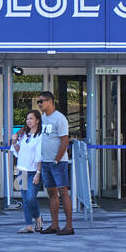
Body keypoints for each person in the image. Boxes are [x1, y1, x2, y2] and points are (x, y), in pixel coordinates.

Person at [36, 91, 74, 235]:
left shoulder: (60, 119)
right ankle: (54, 225)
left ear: (50, 101)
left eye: (42, 101)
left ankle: (69, 226)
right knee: (51, 192)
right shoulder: (44, 118)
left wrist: (57, 158)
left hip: (57, 162)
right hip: (46, 161)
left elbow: (64, 140)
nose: (39, 104)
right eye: (38, 101)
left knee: (63, 191)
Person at [10, 110, 44, 234]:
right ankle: (28, 225)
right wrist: (14, 142)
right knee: (25, 199)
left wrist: (38, 173)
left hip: (33, 171)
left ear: (37, 120)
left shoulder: (40, 136)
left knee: (30, 198)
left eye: (31, 118)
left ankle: (38, 217)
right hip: (22, 170)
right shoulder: (24, 134)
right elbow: (19, 152)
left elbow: (40, 155)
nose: (28, 121)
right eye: (27, 119)